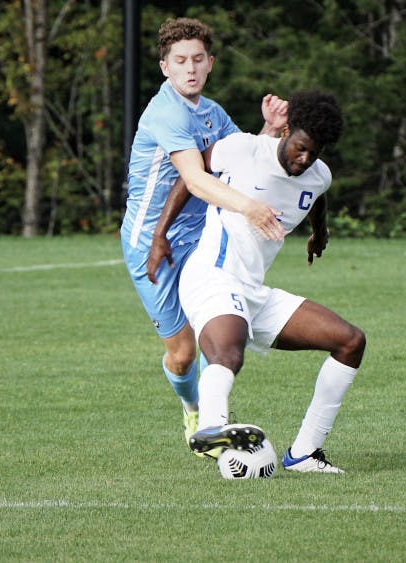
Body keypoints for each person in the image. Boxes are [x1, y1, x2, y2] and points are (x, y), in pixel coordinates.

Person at [120, 17, 286, 457]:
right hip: (150, 244)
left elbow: (241, 157)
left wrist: (268, 132)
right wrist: (248, 207)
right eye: (180, 61)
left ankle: (213, 424)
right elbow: (194, 178)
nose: (189, 68)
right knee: (181, 353)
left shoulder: (212, 113)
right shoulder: (166, 113)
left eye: (197, 59)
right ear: (164, 68)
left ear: (210, 63)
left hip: (202, 239)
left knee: (216, 326)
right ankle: (192, 406)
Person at [176, 91, 366, 473]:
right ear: (287, 132)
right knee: (228, 352)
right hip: (211, 274)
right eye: (301, 148)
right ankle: (213, 427)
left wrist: (320, 231)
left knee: (350, 342)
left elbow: (316, 196)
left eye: (314, 153)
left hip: (253, 292)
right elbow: (192, 176)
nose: (305, 159)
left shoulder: (319, 174)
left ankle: (304, 453)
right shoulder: (244, 149)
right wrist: (161, 237)